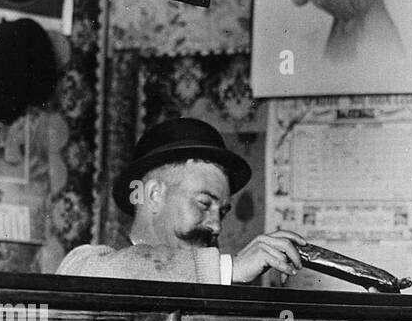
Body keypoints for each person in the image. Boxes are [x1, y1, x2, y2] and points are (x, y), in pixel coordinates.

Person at [56, 117, 303, 285]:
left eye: (222, 212)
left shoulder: (202, 320)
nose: (217, 226)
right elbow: (116, 276)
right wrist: (230, 268)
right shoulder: (85, 264)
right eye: (204, 204)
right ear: (153, 195)